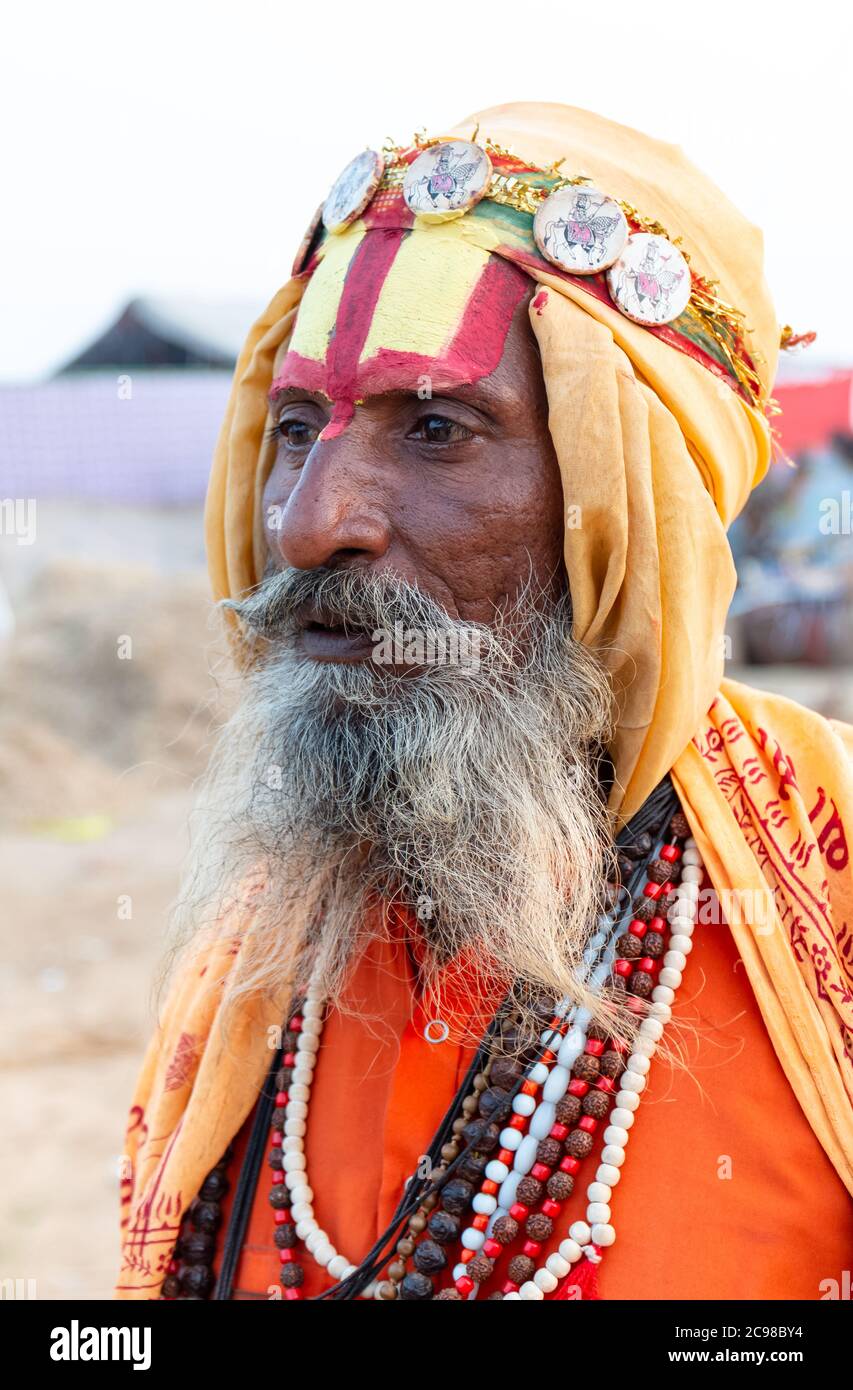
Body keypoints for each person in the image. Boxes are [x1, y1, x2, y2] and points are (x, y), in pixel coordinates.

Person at [115, 102, 852, 1302]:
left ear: (629, 501)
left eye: (438, 430)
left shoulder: (831, 865)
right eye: (295, 428)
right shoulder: (259, 936)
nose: (312, 522)